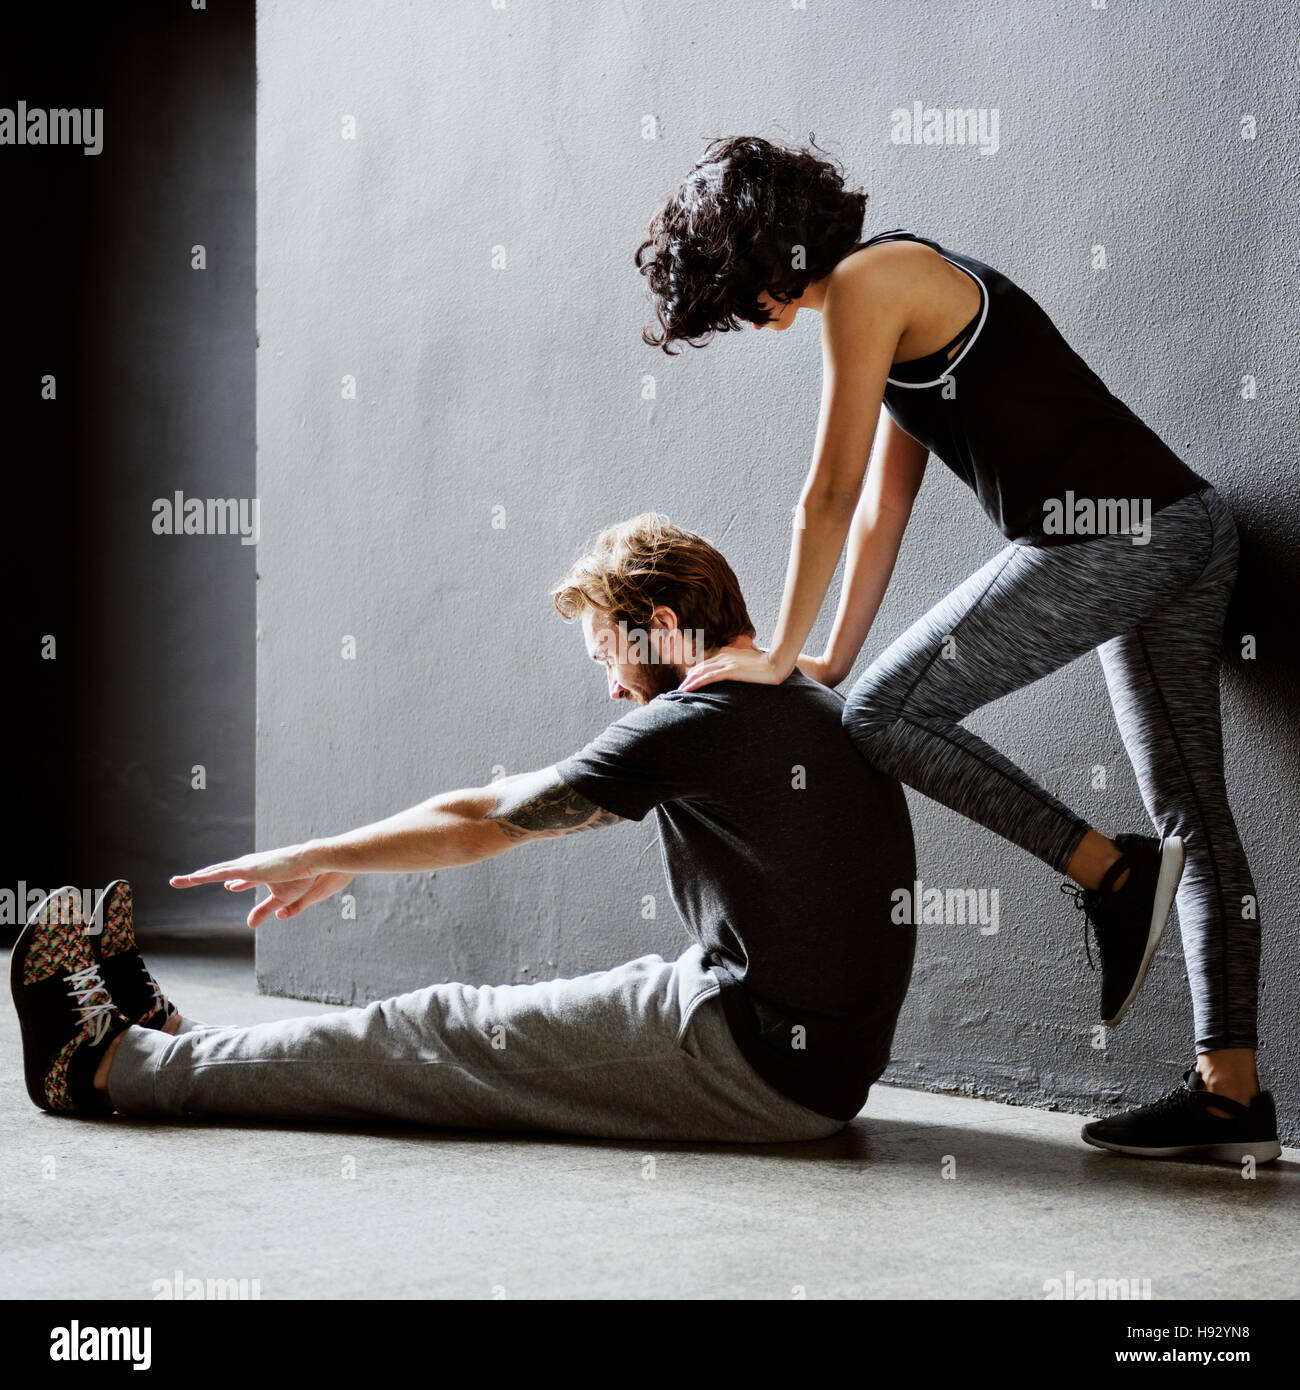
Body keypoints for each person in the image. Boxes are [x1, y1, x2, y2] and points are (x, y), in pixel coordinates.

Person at [633, 134, 1278, 1162]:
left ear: (762, 258)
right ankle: (1230, 1091)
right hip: (1181, 528)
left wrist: (775, 652)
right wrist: (830, 652)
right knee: (1192, 812)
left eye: (737, 298)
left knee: (888, 715)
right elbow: (886, 502)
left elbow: (828, 496)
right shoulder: (898, 283)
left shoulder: (863, 286)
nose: (752, 321)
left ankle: (1110, 874)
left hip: (1114, 537)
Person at [11, 515, 916, 1143]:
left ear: (664, 628)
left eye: (608, 655)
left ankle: (103, 1066)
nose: (609, 686)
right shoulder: (792, 689)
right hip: (794, 1044)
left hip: (760, 1063)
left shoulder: (703, 715)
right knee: (461, 1026)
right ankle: (172, 1044)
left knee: (436, 1034)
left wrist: (321, 855)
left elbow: (484, 820)